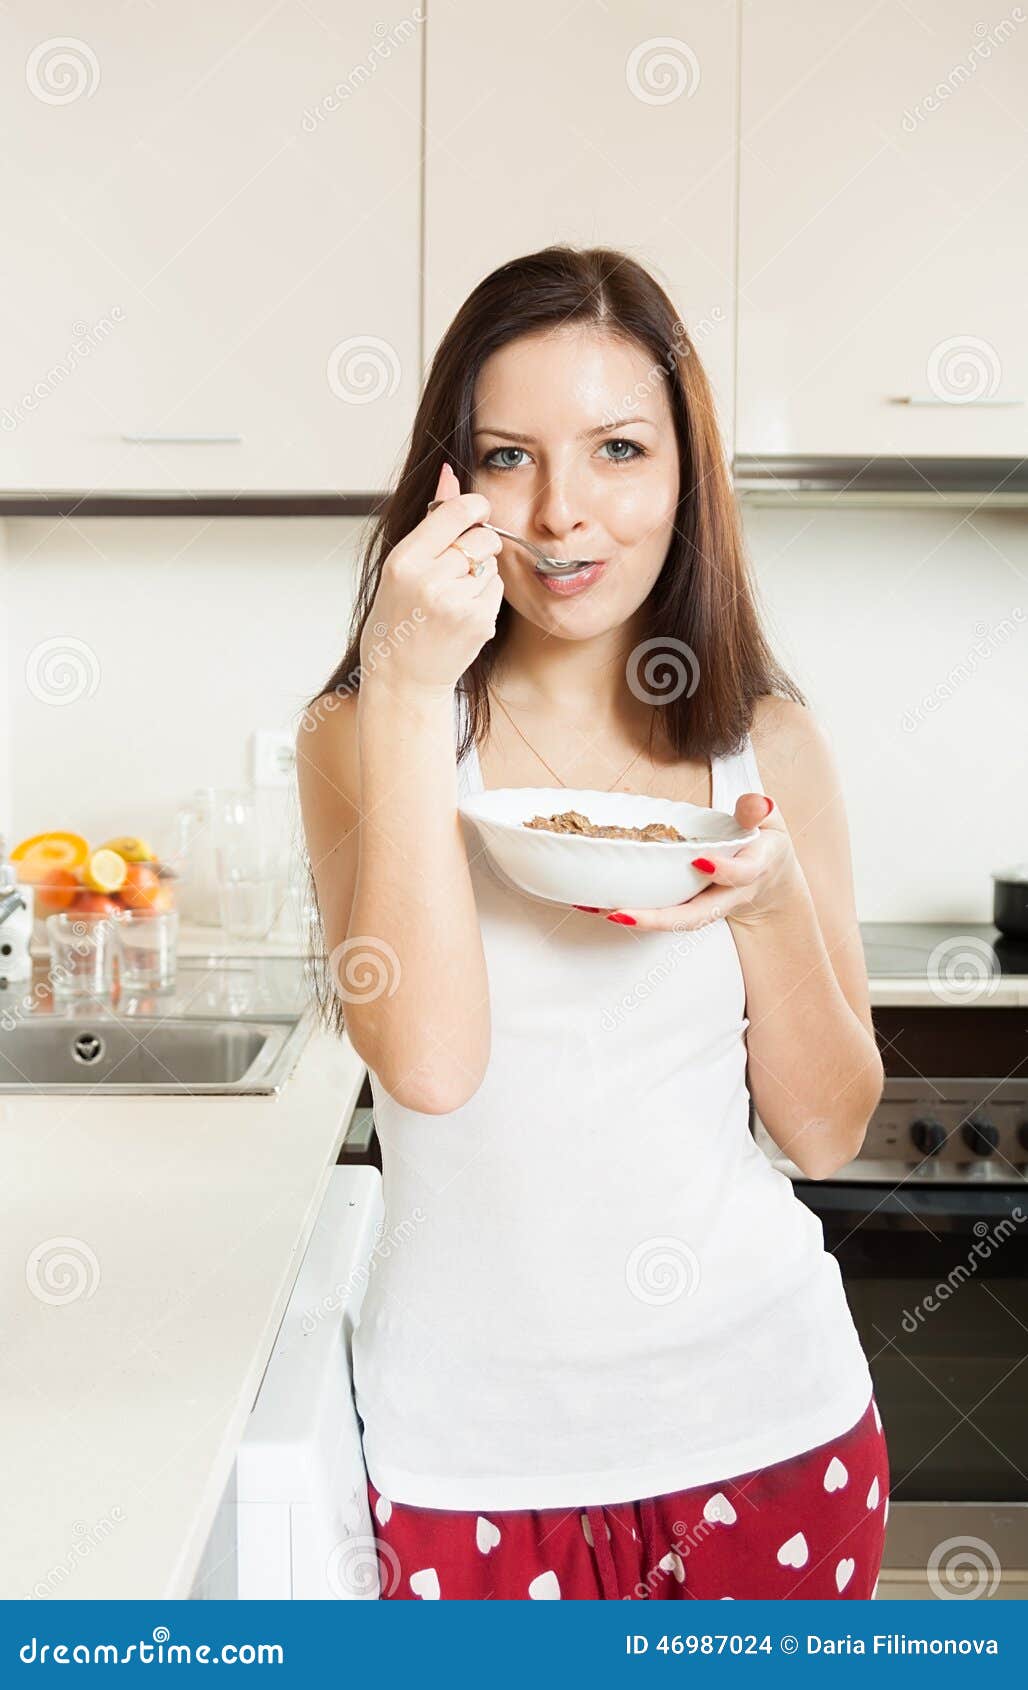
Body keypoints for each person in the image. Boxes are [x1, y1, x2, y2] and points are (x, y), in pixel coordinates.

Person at [296, 245, 890, 1601]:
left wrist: (772, 900)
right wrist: (406, 686)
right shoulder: (362, 730)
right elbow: (430, 1066)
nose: (563, 513)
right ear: (448, 482)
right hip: (469, 1465)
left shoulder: (770, 744)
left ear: (686, 473)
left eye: (619, 449)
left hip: (771, 1432)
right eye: (508, 457)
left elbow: (826, 1133)